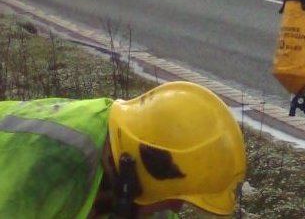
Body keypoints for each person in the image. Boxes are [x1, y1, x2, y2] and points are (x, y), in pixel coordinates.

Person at [0, 81, 247, 218]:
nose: (175, 208)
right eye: (177, 199)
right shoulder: (53, 164)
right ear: (146, 169)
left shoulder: (142, 187)